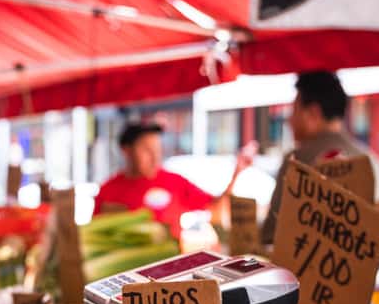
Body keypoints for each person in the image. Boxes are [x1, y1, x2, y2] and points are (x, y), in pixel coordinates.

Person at [261, 70, 379, 244]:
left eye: (294, 110)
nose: (290, 121)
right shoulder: (369, 160)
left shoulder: (296, 160)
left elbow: (271, 235)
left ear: (313, 113)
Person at [94, 122, 252, 238]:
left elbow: (216, 209)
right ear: (126, 150)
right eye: (147, 150)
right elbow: (95, 234)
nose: (155, 157)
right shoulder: (108, 191)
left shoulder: (174, 182)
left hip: (169, 271)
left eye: (158, 150)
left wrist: (237, 173)